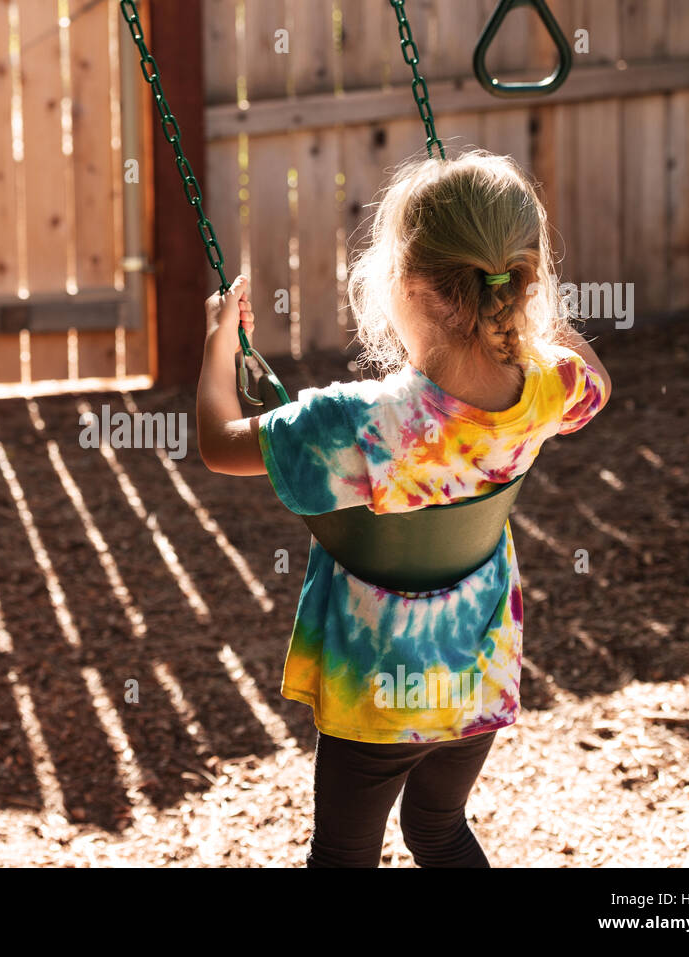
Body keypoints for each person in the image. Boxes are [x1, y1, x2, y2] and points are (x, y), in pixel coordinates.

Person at [195, 148, 612, 867]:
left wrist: (217, 345)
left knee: (344, 853)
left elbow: (217, 441)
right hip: (477, 673)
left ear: (407, 285)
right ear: (525, 280)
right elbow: (596, 376)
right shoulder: (548, 388)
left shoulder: (364, 424)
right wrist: (537, 319)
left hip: (377, 694)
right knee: (440, 830)